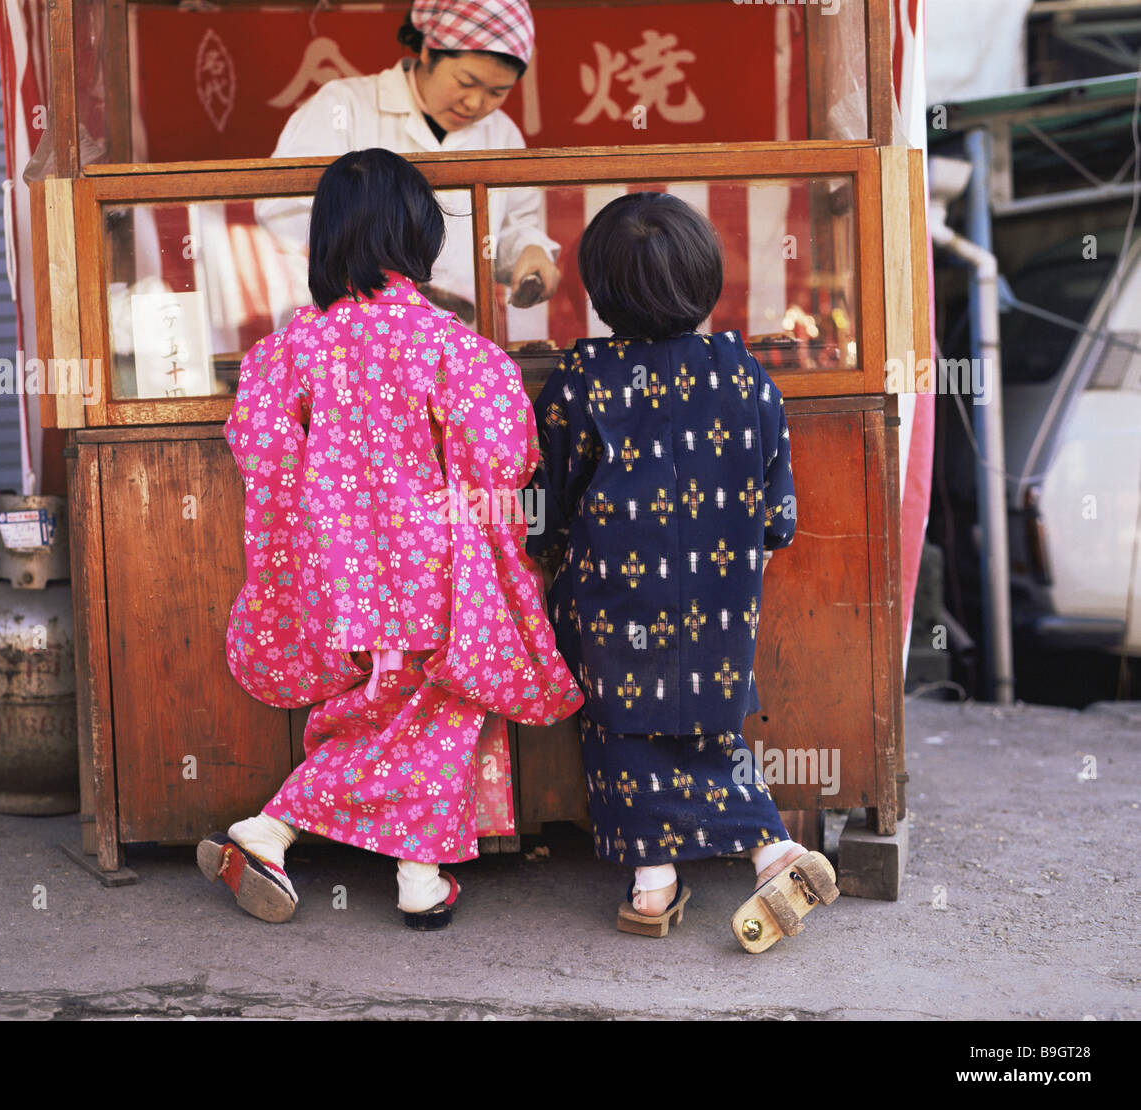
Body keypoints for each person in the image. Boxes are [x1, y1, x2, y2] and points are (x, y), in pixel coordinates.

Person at [201, 148, 582, 930]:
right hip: (436, 565)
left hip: (336, 572)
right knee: (439, 705)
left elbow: (260, 450)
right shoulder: (449, 345)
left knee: (387, 705)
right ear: (419, 238)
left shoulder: (295, 348)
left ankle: (412, 870)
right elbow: (502, 454)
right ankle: (287, 833)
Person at [527, 192, 838, 952]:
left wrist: (549, 552)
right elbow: (777, 513)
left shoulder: (581, 377)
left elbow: (546, 508)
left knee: (619, 731)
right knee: (710, 727)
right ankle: (773, 852)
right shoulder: (744, 374)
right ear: (706, 282)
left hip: (609, 599)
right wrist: (754, 544)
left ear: (599, 294)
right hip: (719, 599)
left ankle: (654, 883)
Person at [254, 0, 560, 324]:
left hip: (453, 342)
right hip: (347, 334)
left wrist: (529, 251)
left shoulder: (502, 133)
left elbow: (514, 225)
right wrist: (374, 272)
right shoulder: (343, 107)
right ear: (428, 52)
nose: (475, 103)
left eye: (497, 92)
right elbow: (283, 214)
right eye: (465, 82)